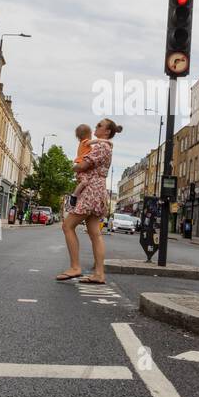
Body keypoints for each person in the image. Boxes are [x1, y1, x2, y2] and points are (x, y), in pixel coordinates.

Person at [57, 119, 123, 284]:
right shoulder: (104, 145)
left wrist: (72, 166)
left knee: (67, 226)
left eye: (100, 125)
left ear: (107, 131)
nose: (96, 127)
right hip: (98, 190)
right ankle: (99, 274)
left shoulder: (101, 147)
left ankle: (75, 267)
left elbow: (82, 166)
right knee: (95, 233)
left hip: (91, 190)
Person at [68, 123, 93, 210]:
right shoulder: (85, 142)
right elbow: (93, 142)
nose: (92, 136)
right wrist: (102, 141)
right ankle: (74, 195)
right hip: (81, 166)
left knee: (82, 182)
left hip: (79, 167)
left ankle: (76, 196)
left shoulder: (81, 144)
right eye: (91, 134)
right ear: (87, 135)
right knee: (84, 182)